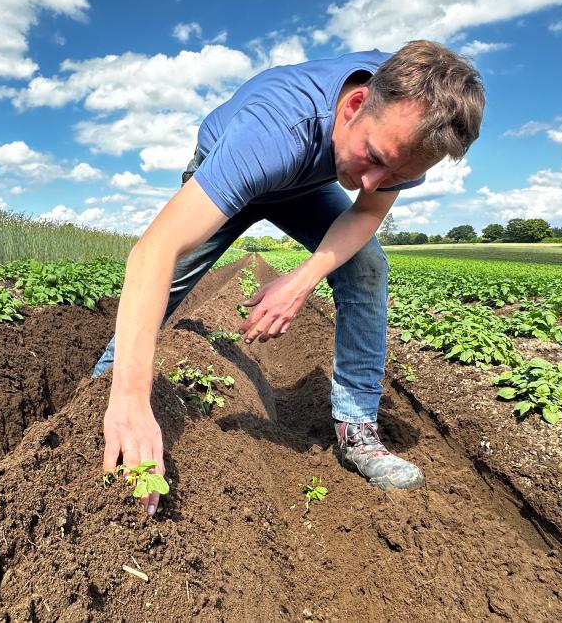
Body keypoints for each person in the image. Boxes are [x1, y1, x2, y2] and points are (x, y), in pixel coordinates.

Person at [93, 40, 484, 515]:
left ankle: (357, 428)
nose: (372, 183)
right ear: (355, 105)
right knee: (170, 278)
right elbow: (152, 250)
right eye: (374, 157)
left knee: (366, 266)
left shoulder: (408, 129)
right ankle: (103, 398)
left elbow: (365, 214)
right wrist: (133, 396)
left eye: (398, 174)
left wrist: (302, 279)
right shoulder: (271, 131)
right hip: (236, 161)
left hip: (303, 185)